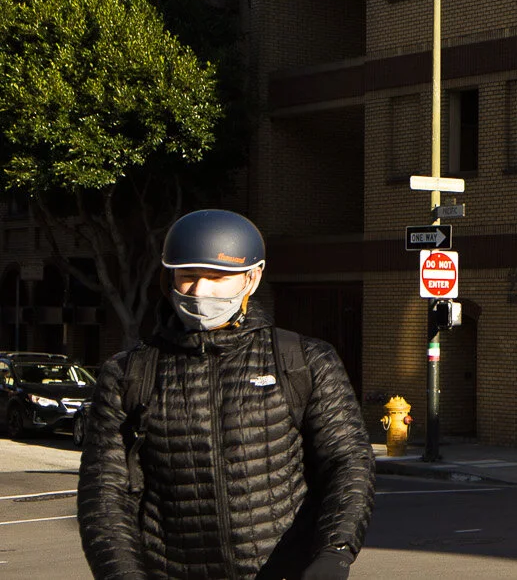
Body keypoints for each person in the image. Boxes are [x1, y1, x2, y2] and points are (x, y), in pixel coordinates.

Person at [78, 208, 373, 580]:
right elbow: (104, 491)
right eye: (187, 276)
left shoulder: (304, 360)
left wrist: (335, 552)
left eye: (217, 277)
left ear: (252, 278)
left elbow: (347, 462)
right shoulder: (127, 373)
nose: (200, 291)